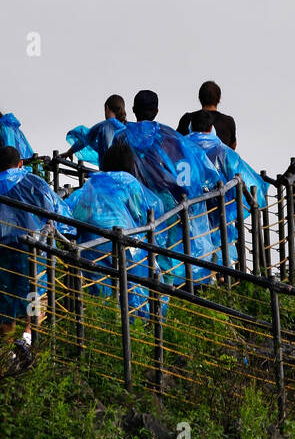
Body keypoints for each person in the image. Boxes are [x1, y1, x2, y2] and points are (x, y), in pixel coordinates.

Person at [112, 90, 222, 286]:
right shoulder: (168, 136)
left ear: (134, 110)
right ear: (156, 111)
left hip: (129, 196)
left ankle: (135, 284)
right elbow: (184, 165)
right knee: (166, 245)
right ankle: (166, 285)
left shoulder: (121, 136)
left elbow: (112, 166)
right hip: (163, 199)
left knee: (131, 242)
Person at [0, 147, 71, 342]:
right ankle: (27, 338)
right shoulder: (34, 183)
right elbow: (55, 210)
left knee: (4, 302)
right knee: (35, 294)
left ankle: (6, 353)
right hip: (32, 249)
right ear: (21, 164)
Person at [64, 143, 168, 315]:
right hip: (125, 244)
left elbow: (69, 209)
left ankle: (103, 318)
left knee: (101, 285)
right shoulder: (130, 183)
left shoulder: (93, 182)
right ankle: (138, 321)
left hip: (92, 245)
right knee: (134, 283)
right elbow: (144, 212)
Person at [186, 109, 268, 260]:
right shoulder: (222, 151)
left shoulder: (180, 147)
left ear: (190, 126)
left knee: (195, 253)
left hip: (190, 211)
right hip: (218, 209)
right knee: (221, 252)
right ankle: (220, 277)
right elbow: (247, 180)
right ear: (211, 129)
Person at [64, 94, 127, 166]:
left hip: (108, 173)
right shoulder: (128, 128)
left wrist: (69, 152)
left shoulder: (103, 126)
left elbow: (85, 138)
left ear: (107, 108)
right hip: (128, 174)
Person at [177, 81, 236, 150]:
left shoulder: (187, 118)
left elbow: (175, 142)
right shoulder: (228, 122)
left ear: (199, 98)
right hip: (219, 160)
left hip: (190, 160)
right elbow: (232, 147)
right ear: (219, 98)